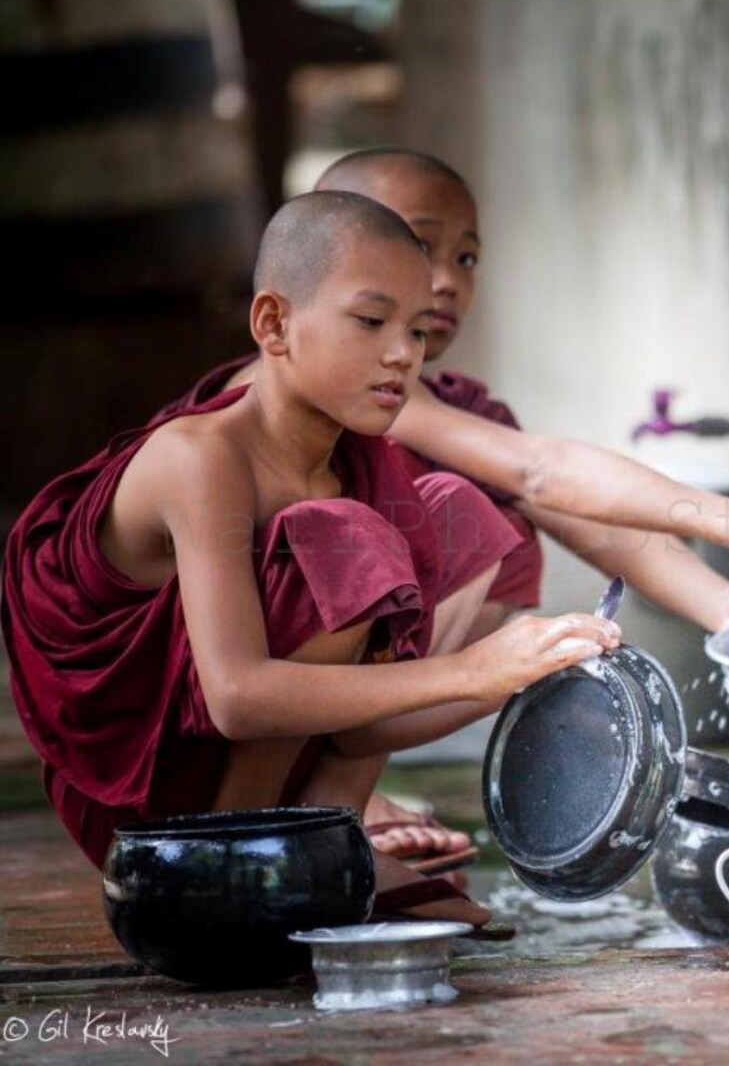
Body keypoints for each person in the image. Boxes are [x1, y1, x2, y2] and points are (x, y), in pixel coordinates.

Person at [155, 148, 729, 865]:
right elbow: (539, 472)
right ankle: (299, 815)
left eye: (464, 259)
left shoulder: (400, 388)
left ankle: (332, 795)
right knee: (357, 536)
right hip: (202, 720)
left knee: (486, 520)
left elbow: (571, 508)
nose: (440, 280)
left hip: (300, 698)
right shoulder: (291, 405)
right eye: (415, 242)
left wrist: (724, 606)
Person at [1, 192, 621, 902]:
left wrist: (520, 674)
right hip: (148, 786)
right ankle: (241, 857)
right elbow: (235, 696)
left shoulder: (355, 463)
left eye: (418, 332)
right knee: (348, 540)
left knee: (459, 516)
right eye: (370, 320)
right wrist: (475, 670)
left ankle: (327, 828)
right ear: (273, 323)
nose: (401, 354)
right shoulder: (200, 458)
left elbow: (366, 729)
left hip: (272, 736)